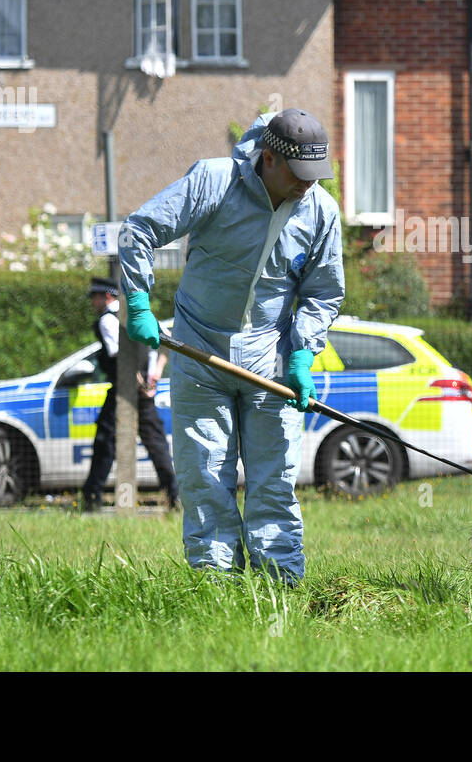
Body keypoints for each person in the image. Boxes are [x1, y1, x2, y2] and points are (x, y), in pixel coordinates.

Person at [118, 108, 344, 585]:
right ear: (269, 159)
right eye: (300, 175)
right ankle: (216, 587)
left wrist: (303, 352)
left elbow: (324, 291)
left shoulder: (321, 209)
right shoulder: (213, 183)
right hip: (198, 351)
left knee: (274, 482)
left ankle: (278, 586)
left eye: (315, 175)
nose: (308, 185)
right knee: (204, 478)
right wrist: (138, 300)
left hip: (272, 362)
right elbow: (139, 230)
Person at [81, 277, 179, 512]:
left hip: (124, 393)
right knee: (156, 444)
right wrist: (153, 375)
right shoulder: (142, 315)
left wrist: (137, 380)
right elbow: (166, 341)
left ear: (106, 296)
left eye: (95, 297)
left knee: (106, 442)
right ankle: (175, 497)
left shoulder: (107, 320)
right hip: (145, 393)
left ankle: (91, 498)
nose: (93, 303)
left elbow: (120, 357)